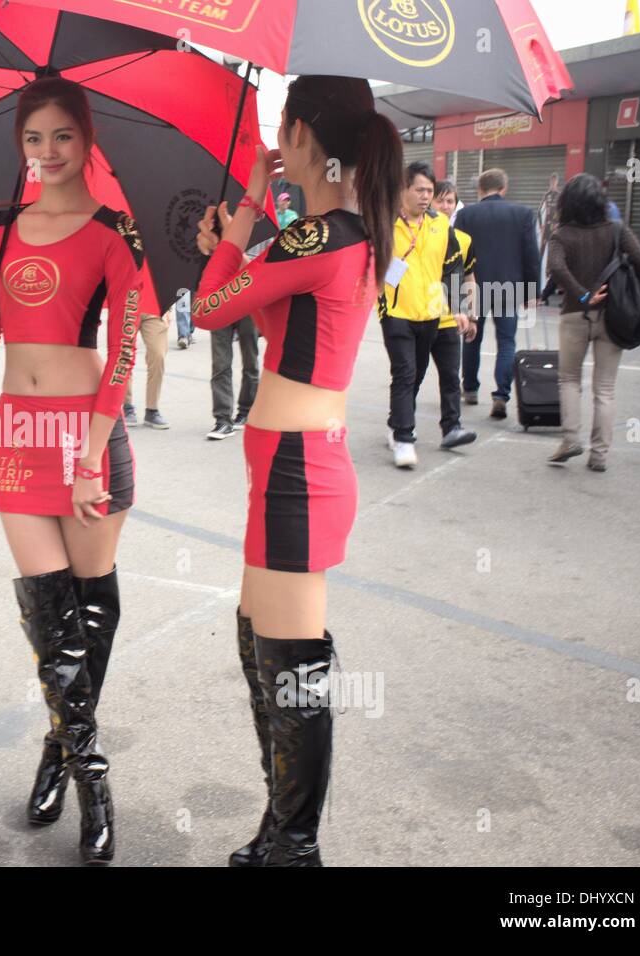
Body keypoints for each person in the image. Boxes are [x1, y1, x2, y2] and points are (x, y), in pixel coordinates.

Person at [190, 74, 403, 866]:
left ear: (306, 136)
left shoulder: (320, 236)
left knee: (291, 668)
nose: (275, 140)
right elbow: (246, 295)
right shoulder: (330, 231)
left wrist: (247, 209)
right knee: (265, 652)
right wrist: (242, 237)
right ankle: (282, 831)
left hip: (297, 475)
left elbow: (211, 310)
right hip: (290, 469)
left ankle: (295, 846)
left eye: (283, 126)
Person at [0, 76, 144, 865]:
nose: (49, 151)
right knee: (49, 620)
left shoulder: (114, 231)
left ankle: (67, 762)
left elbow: (125, 350)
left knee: (87, 618)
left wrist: (92, 456)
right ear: (20, 145)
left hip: (87, 438)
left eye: (64, 135)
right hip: (17, 435)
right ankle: (86, 770)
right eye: (35, 138)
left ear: (86, 140)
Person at [544, 174, 640, 472]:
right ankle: (599, 455)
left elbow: (556, 267)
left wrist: (583, 294)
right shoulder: (616, 229)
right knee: (605, 389)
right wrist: (631, 291)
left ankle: (570, 440)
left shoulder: (562, 234)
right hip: (613, 316)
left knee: (569, 380)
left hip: (575, 314)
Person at [379, 161, 467, 468]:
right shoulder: (384, 222)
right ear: (403, 189)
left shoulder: (441, 225)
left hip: (431, 314)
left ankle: (395, 423)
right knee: (404, 373)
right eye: (420, 189)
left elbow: (454, 265)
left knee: (414, 376)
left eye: (430, 190)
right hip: (396, 312)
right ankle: (404, 438)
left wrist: (459, 308)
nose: (426, 196)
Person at [455, 168, 541, 420]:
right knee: (507, 342)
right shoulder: (522, 214)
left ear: (479, 189)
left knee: (471, 337)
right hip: (509, 287)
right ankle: (501, 395)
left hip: (474, 287)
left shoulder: (465, 215)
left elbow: (457, 255)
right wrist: (532, 290)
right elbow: (531, 254)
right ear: (504, 188)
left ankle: (470, 389)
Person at [428, 181, 478, 451]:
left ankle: (452, 428)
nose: (445, 206)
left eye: (451, 202)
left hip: (451, 319)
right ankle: (400, 427)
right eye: (441, 200)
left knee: (450, 377)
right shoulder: (417, 234)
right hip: (419, 318)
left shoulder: (464, 239)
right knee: (410, 376)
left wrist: (472, 315)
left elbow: (469, 278)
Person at [207, 314, 259, 439]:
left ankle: (246, 411)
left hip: (249, 306)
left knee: (250, 364)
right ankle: (223, 420)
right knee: (220, 366)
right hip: (221, 305)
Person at [122, 310, 169, 429]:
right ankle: (127, 406)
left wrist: (168, 308)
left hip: (154, 309)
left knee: (158, 356)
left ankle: (152, 409)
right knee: (124, 356)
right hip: (128, 306)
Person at [538, 173, 562, 305]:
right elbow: (540, 212)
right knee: (543, 259)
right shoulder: (546, 196)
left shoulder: (560, 197)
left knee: (553, 260)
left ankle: (548, 291)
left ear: (557, 182)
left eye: (554, 181)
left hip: (555, 232)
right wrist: (541, 225)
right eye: (551, 180)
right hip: (545, 233)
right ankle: (543, 291)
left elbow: (562, 213)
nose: (553, 183)